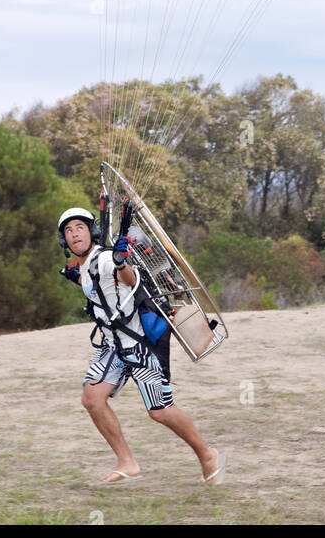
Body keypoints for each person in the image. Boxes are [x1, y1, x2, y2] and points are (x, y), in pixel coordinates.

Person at [57, 207, 226, 486]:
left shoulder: (108, 258)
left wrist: (122, 263)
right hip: (113, 346)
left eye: (80, 227)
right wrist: (75, 278)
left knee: (159, 411)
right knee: (91, 398)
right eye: (69, 230)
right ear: (64, 240)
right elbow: (104, 291)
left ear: (92, 231)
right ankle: (127, 462)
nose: (75, 234)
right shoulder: (85, 267)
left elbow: (129, 280)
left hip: (138, 346)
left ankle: (207, 454)